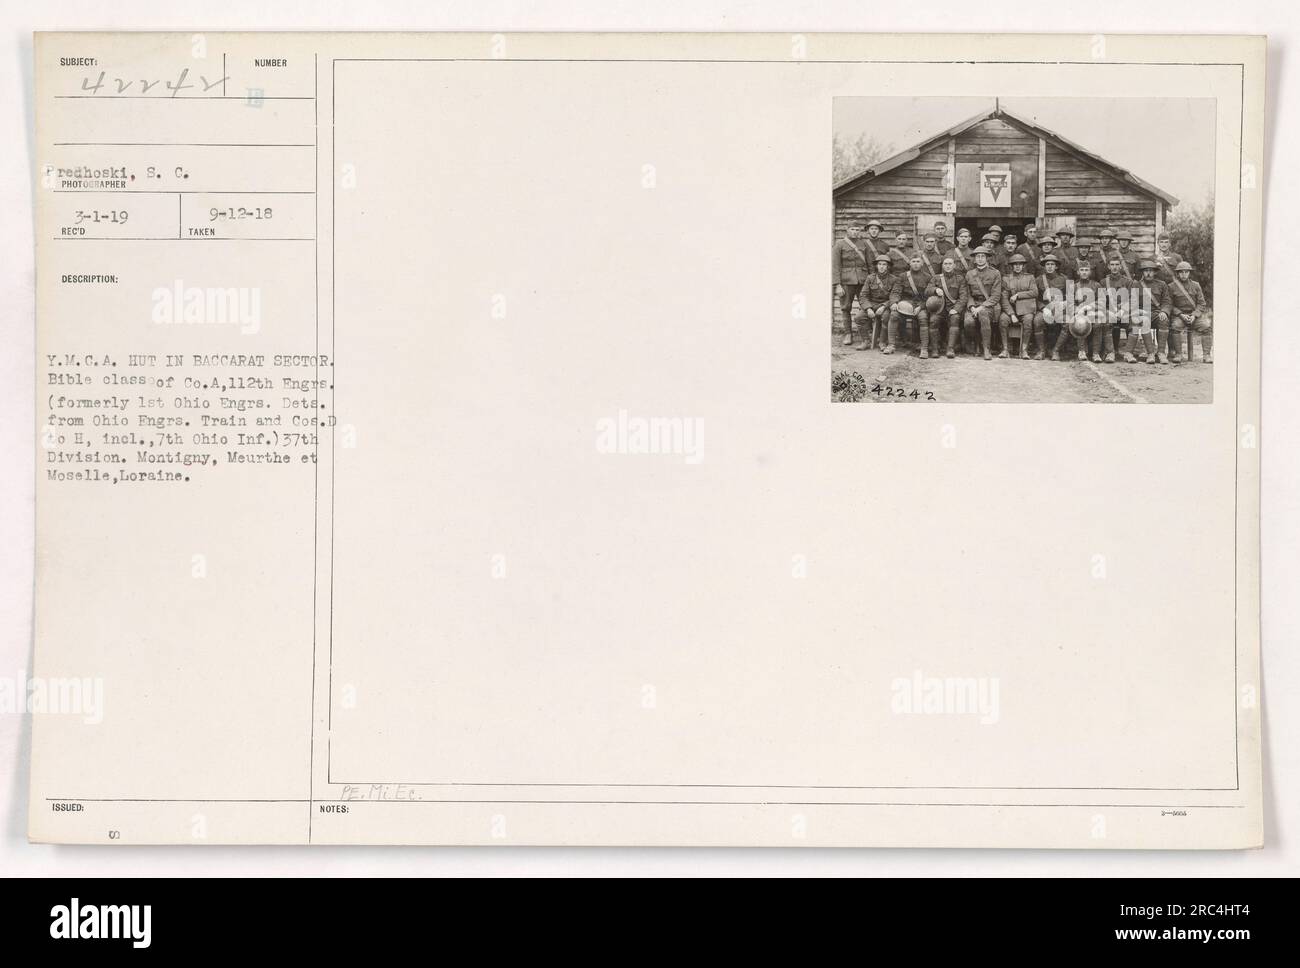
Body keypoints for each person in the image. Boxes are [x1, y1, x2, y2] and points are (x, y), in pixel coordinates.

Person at [1122, 259, 1171, 364]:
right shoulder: (1136, 285)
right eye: (1146, 271)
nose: (1148, 273)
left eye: (1151, 270)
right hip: (1140, 313)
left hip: (1155, 313)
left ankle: (1161, 353)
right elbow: (1132, 302)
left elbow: (1167, 301)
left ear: (1155, 272)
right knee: (1138, 321)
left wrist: (1164, 312)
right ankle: (1143, 353)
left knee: (1164, 321)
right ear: (1142, 272)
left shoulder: (1162, 285)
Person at [832, 223, 871, 345]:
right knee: (845, 307)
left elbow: (870, 264)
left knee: (866, 306)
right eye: (852, 229)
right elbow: (835, 266)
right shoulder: (839, 245)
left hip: (863, 281)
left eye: (857, 229)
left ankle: (866, 334)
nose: (855, 232)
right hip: (846, 282)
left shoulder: (864, 244)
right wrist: (837, 285)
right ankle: (848, 334)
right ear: (847, 230)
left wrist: (871, 281)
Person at [1167, 260, 1212, 363]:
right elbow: (1170, 305)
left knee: (1206, 325)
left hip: (1194, 316)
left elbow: (1202, 303)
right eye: (1181, 272)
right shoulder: (1171, 286)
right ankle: (1178, 354)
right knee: (1175, 326)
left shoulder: (1196, 285)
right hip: (1180, 316)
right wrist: (1180, 314)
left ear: (1189, 273)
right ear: (1177, 273)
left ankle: (1206, 355)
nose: (1184, 274)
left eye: (1186, 272)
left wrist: (1194, 315)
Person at [1042, 253, 1085, 361]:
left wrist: (1064, 303)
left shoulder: (1065, 279)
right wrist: (1043, 308)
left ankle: (1056, 350)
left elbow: (1071, 297)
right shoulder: (1038, 279)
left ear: (1056, 266)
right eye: (1047, 264)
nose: (1050, 266)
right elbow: (1035, 298)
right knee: (1038, 321)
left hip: (1062, 309)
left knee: (1067, 322)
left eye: (1052, 264)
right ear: (1044, 266)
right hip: (1044, 309)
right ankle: (1041, 350)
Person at [999, 252, 1042, 359]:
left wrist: (1018, 295)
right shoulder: (1006, 279)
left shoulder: (1030, 278)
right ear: (1011, 266)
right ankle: (1005, 349)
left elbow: (1034, 292)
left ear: (1023, 266)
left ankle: (1024, 350)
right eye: (1015, 264)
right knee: (1003, 320)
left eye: (1020, 264)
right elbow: (1004, 298)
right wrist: (1011, 314)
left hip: (1026, 309)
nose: (1017, 266)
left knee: (1028, 321)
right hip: (1011, 309)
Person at [964, 245, 1002, 361]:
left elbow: (995, 296)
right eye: (977, 256)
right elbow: (967, 293)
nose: (980, 259)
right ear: (974, 259)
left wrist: (981, 308)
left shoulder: (995, 273)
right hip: (973, 304)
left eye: (982, 256)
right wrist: (971, 307)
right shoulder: (970, 274)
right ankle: (976, 343)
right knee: (968, 322)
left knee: (983, 315)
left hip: (988, 305)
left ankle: (986, 348)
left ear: (987, 258)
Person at [926, 254, 969, 358]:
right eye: (945, 264)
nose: (948, 266)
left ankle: (950, 348)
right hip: (939, 309)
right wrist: (935, 290)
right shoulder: (936, 278)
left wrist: (956, 309)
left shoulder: (960, 279)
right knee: (933, 321)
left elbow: (963, 297)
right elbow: (927, 290)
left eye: (950, 264)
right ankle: (935, 349)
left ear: (954, 265)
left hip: (953, 309)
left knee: (955, 319)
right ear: (942, 266)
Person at [894, 252, 934, 355]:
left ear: (922, 264)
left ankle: (924, 349)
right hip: (906, 304)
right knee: (894, 315)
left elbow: (929, 296)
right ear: (910, 264)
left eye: (918, 262)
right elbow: (896, 291)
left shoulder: (928, 277)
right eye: (913, 261)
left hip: (921, 305)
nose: (916, 264)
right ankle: (891, 345)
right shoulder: (903, 276)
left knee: (923, 318)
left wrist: (921, 307)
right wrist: (894, 303)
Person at [859, 252, 900, 351]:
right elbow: (863, 295)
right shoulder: (870, 278)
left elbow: (895, 295)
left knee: (886, 317)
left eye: (884, 264)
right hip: (871, 305)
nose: (882, 267)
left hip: (885, 305)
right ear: (876, 266)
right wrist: (868, 309)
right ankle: (865, 341)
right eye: (880, 264)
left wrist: (884, 306)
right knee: (858, 318)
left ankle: (882, 341)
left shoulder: (894, 279)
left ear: (888, 267)